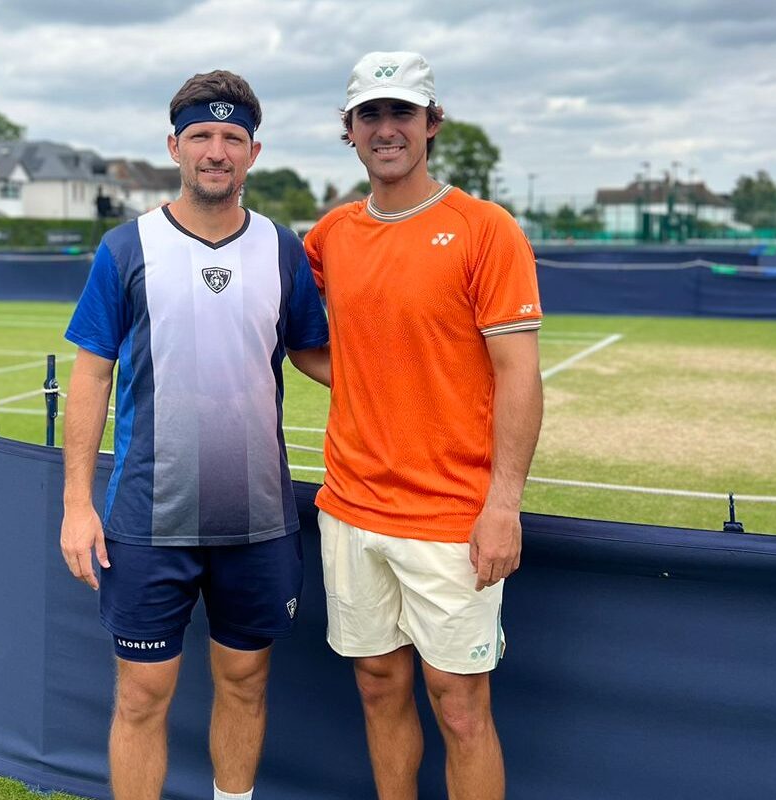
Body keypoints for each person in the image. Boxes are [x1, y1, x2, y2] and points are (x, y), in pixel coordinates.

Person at [60, 69, 330, 800]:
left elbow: (314, 352)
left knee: (244, 684)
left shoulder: (281, 249)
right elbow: (90, 377)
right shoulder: (125, 248)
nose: (217, 150)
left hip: (259, 520)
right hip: (149, 521)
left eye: (232, 137)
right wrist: (77, 505)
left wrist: (418, 369)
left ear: (254, 152)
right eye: (202, 136)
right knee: (143, 695)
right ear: (174, 146)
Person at [303, 52, 543, 799]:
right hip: (350, 507)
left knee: (460, 705)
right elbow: (299, 336)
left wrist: (503, 504)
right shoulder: (330, 236)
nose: (386, 129)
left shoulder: (485, 229)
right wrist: (375, 380)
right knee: (378, 685)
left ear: (432, 124)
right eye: (369, 115)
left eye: (401, 113)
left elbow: (519, 376)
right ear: (348, 131)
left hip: (451, 517)